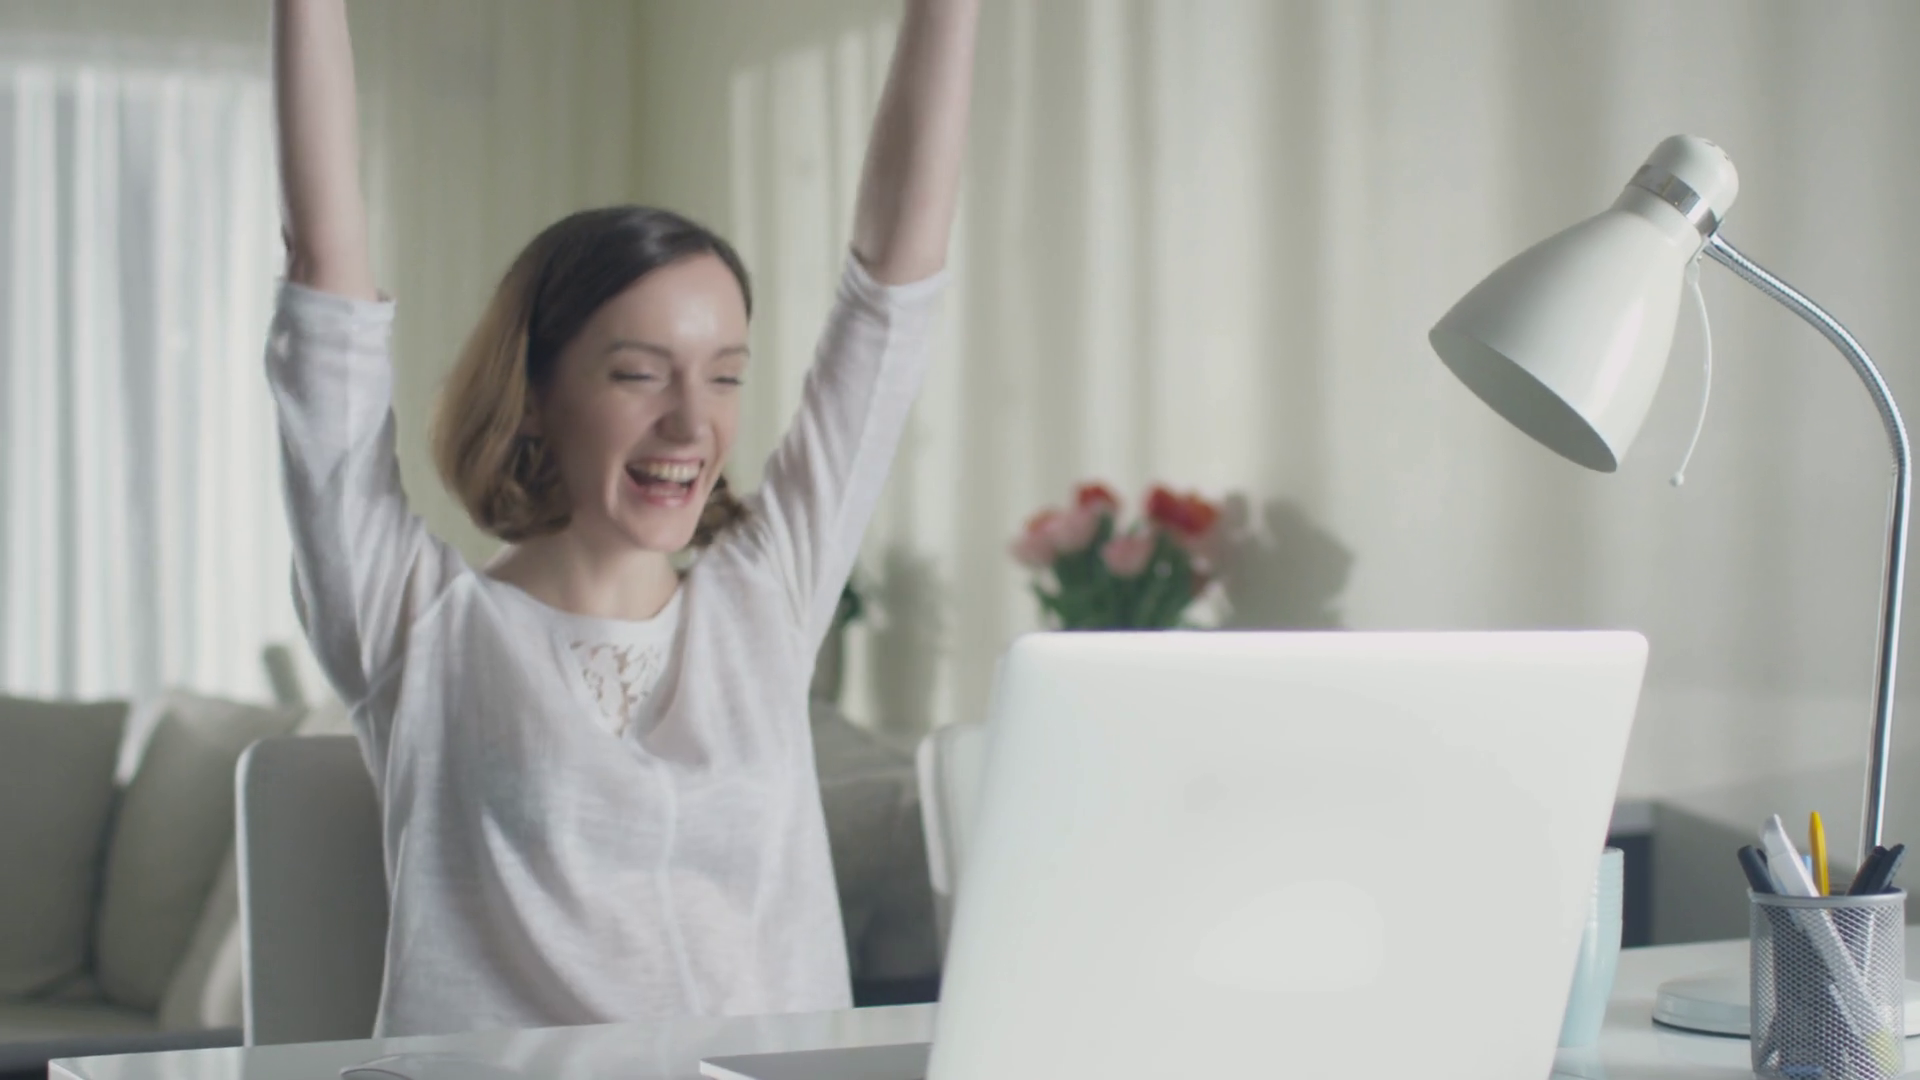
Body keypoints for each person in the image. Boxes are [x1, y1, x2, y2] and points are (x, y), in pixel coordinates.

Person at [269, 0, 978, 1038]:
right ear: (538, 390)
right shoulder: (415, 626)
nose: (693, 422)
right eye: (641, 374)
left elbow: (894, 286)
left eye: (727, 376)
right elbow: (323, 274)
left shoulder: (764, 598)